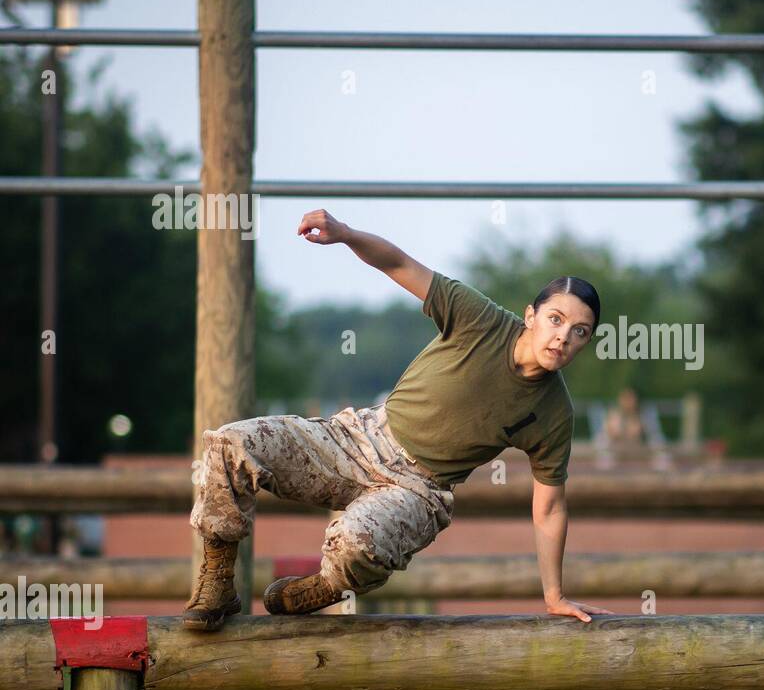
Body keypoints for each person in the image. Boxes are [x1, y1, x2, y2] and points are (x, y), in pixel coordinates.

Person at [183, 209, 614, 631]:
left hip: (418, 489)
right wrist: (346, 233)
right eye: (556, 320)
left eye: (579, 331)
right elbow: (399, 263)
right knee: (230, 442)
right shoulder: (478, 318)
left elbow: (550, 507)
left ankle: (325, 587)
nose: (562, 337)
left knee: (357, 545)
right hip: (357, 439)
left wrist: (553, 595)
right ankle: (218, 583)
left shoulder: (554, 413)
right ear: (531, 316)